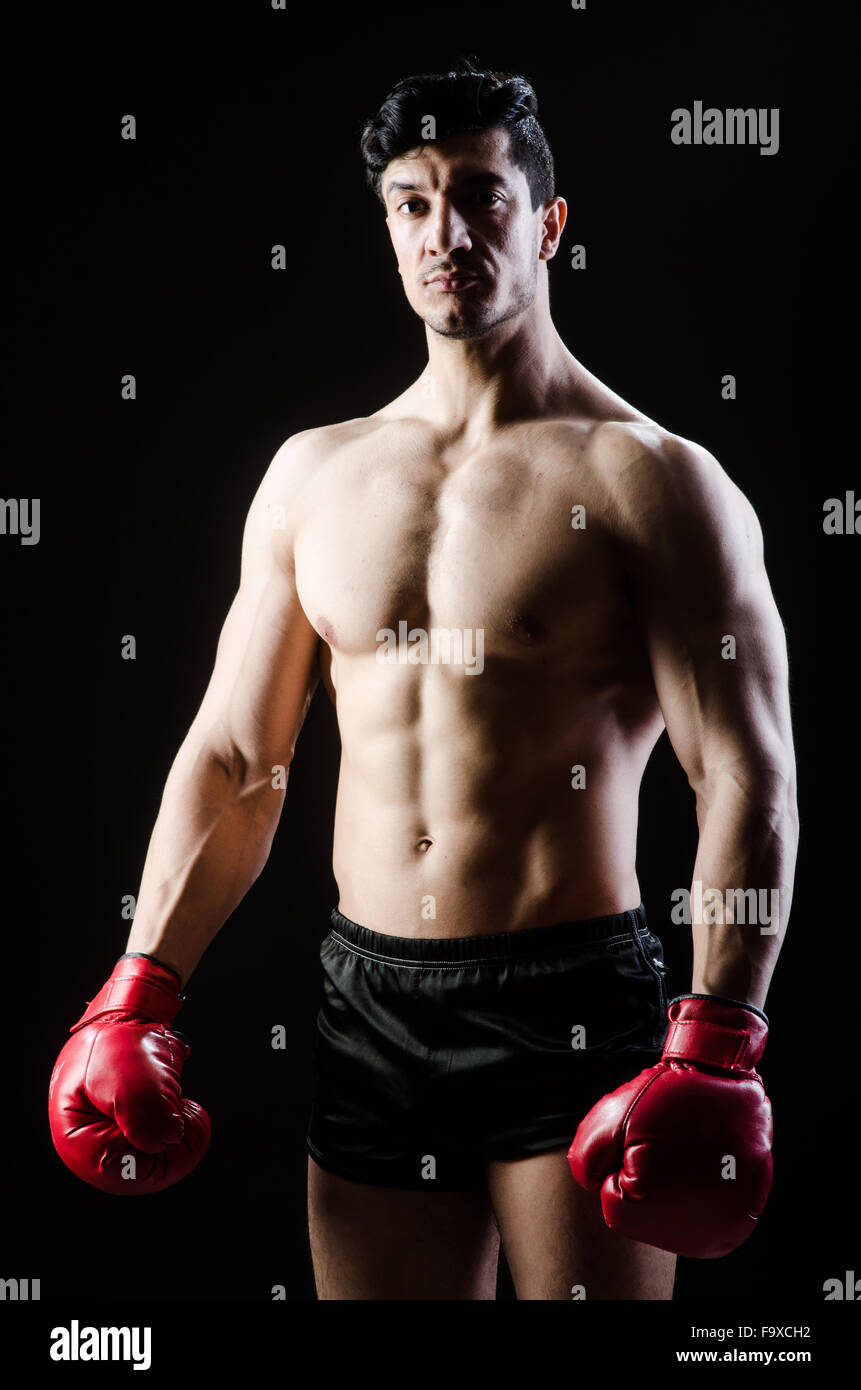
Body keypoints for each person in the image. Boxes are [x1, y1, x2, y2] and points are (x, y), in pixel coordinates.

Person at [49, 60, 798, 1300]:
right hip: (371, 1005)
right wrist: (140, 983)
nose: (446, 234)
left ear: (548, 221)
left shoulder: (653, 481)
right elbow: (239, 759)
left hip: (574, 1005)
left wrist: (721, 1035)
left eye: (481, 198)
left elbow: (747, 773)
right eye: (412, 202)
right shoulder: (314, 477)